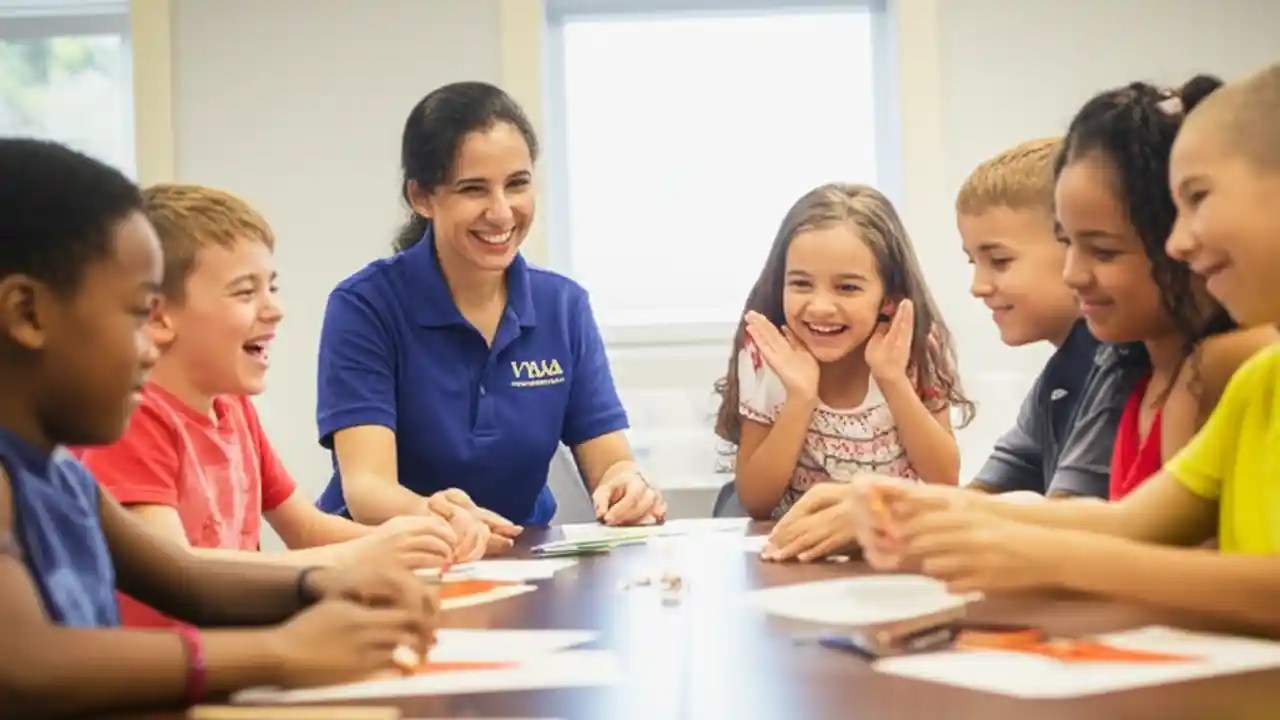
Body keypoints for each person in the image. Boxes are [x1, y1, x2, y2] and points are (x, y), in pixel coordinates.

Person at [0, 138, 436, 716]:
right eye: (137, 316)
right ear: (28, 315)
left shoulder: (61, 476)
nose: (152, 350)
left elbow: (185, 579)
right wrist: (279, 652)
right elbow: (28, 667)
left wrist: (323, 585)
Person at [852, 64, 1280, 634]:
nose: (1181, 242)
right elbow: (1128, 523)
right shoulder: (1258, 382)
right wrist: (931, 514)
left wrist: (1041, 555)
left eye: (1198, 200)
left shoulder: (1230, 367)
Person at [78, 184, 459, 629]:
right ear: (159, 315)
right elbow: (176, 570)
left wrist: (423, 537)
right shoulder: (134, 419)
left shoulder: (235, 409)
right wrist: (363, 553)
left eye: (271, 288)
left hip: (234, 649)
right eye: (245, 292)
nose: (274, 310)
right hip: (171, 673)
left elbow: (307, 529)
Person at [315, 81, 665, 536]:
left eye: (517, 184)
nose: (501, 213)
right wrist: (447, 520)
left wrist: (625, 484)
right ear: (421, 197)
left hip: (521, 560)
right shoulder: (364, 306)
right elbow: (367, 489)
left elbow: (610, 461)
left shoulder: (563, 306)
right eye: (473, 189)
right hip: (390, 561)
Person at [712, 183, 974, 523]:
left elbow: (945, 480)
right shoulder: (767, 356)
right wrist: (800, 397)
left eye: (847, 287)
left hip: (886, 545)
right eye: (801, 284)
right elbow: (756, 502)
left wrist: (892, 379)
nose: (820, 307)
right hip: (797, 547)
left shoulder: (915, 349)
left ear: (889, 297)